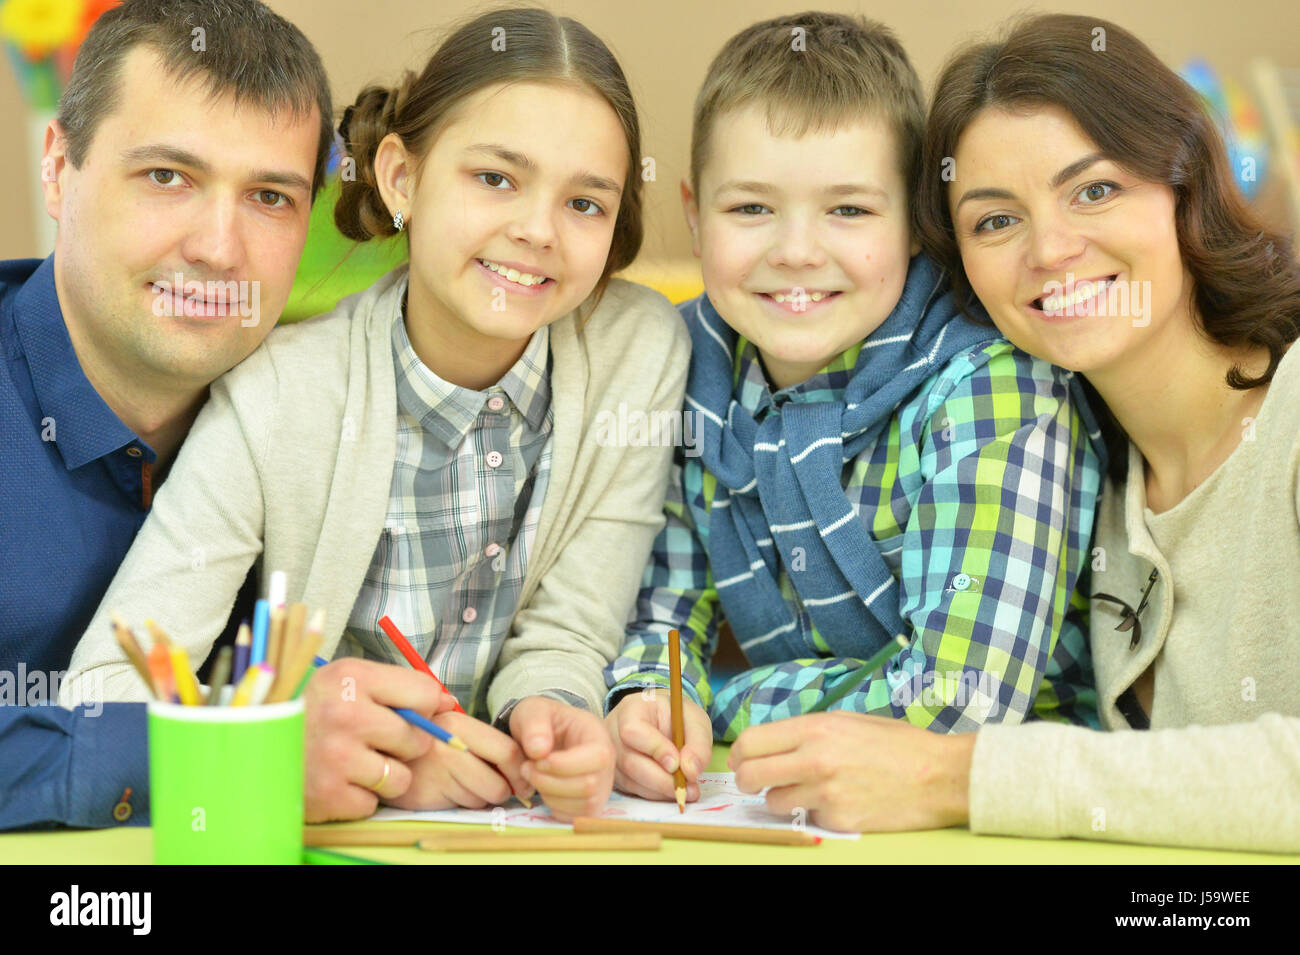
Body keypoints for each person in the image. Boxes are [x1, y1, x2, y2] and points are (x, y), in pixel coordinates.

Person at [61, 6, 691, 825]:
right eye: (495, 178)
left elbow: (571, 624)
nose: (537, 230)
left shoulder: (634, 352)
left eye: (585, 204)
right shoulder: (278, 393)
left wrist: (552, 706)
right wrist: (284, 736)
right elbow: (105, 687)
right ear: (401, 179)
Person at [752, 13, 1300, 851]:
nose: (1051, 249)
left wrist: (958, 777)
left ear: (1184, 182)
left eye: (1095, 190)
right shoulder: (1086, 478)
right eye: (995, 221)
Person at [603, 11, 1103, 828]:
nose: (798, 251)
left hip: (1015, 813)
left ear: (915, 220)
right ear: (694, 216)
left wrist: (722, 705)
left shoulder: (992, 387)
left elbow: (956, 699)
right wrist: (649, 699)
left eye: (849, 211)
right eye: (752, 209)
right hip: (812, 811)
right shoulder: (687, 368)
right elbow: (662, 609)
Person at [0, 0, 331, 830]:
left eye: (269, 196)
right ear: (57, 166)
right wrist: (238, 751)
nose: (219, 248)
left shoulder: (322, 407)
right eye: (167, 177)